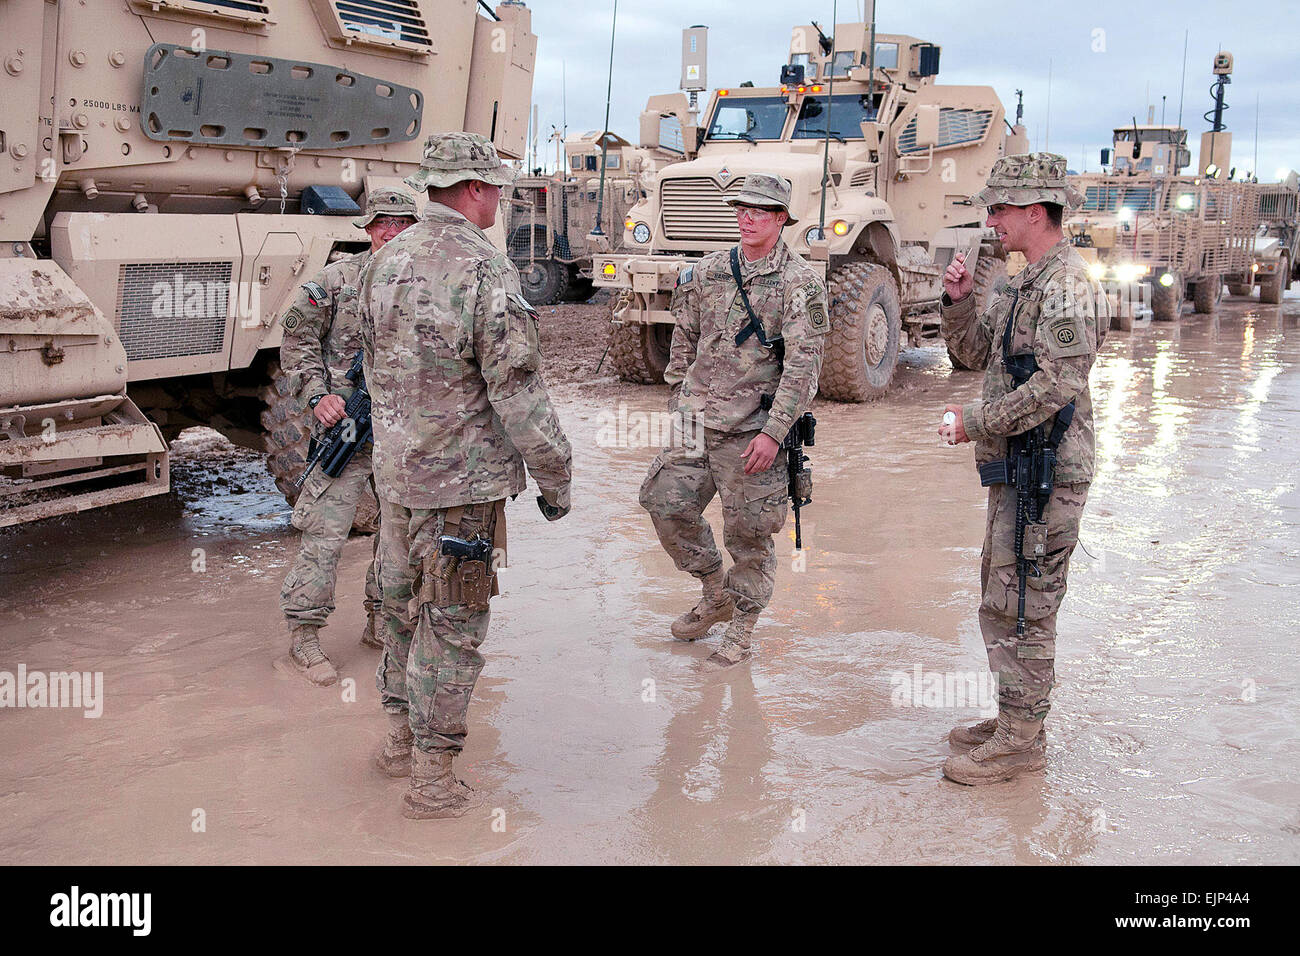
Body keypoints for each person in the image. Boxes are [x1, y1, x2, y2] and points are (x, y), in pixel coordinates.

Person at [359, 132, 572, 819]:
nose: (500, 201)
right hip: (462, 495)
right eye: (498, 189)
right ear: (476, 191)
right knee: (452, 627)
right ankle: (432, 781)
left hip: (395, 482)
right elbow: (517, 387)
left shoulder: (383, 262)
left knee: (397, 612)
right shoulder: (484, 268)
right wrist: (555, 474)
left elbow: (372, 369)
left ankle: (397, 743)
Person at [938, 152, 1109, 785]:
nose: (991, 221)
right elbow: (972, 351)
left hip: (1049, 471)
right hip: (1016, 466)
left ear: (1034, 212)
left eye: (999, 209)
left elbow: (1057, 384)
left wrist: (974, 424)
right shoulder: (1020, 279)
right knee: (999, 595)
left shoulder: (1067, 285)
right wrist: (957, 300)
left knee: (1030, 603)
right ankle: (1015, 716)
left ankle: (1023, 741)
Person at [639, 173, 828, 666]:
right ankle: (713, 590)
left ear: (782, 219)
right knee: (665, 503)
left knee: (749, 533)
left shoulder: (801, 283)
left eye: (760, 211)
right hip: (697, 422)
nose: (748, 218)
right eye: (742, 209)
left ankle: (742, 625)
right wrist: (678, 400)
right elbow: (685, 339)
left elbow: (803, 370)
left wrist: (774, 433)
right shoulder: (710, 271)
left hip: (753, 432)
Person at [278, 188, 419, 686]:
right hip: (347, 428)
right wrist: (318, 396)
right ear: (367, 228)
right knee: (326, 534)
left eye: (404, 223)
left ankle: (382, 624)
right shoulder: (336, 282)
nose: (393, 231)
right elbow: (295, 341)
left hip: (404, 434)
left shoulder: (427, 288)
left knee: (399, 537)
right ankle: (305, 637)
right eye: (384, 223)